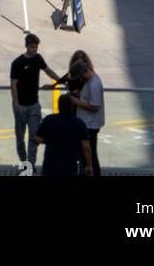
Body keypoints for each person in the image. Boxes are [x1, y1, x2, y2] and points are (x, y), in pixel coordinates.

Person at [10, 34, 64, 171]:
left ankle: (31, 165)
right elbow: (13, 84)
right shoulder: (17, 63)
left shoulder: (38, 59)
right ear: (27, 46)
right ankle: (24, 164)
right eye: (32, 47)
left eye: (36, 47)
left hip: (34, 105)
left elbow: (48, 71)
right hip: (21, 106)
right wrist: (15, 103)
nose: (34, 50)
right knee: (20, 138)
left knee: (34, 137)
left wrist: (60, 81)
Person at [35, 93, 93, 178]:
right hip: (71, 167)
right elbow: (86, 147)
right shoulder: (79, 123)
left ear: (58, 106)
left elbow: (37, 139)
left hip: (50, 167)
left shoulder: (49, 120)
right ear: (71, 107)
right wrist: (89, 166)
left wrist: (50, 140)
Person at [68, 58, 105, 176]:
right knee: (88, 155)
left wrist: (76, 101)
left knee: (90, 155)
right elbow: (90, 99)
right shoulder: (90, 82)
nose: (80, 79)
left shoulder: (94, 84)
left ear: (85, 72)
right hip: (87, 123)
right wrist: (80, 95)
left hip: (90, 125)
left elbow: (95, 107)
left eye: (80, 76)